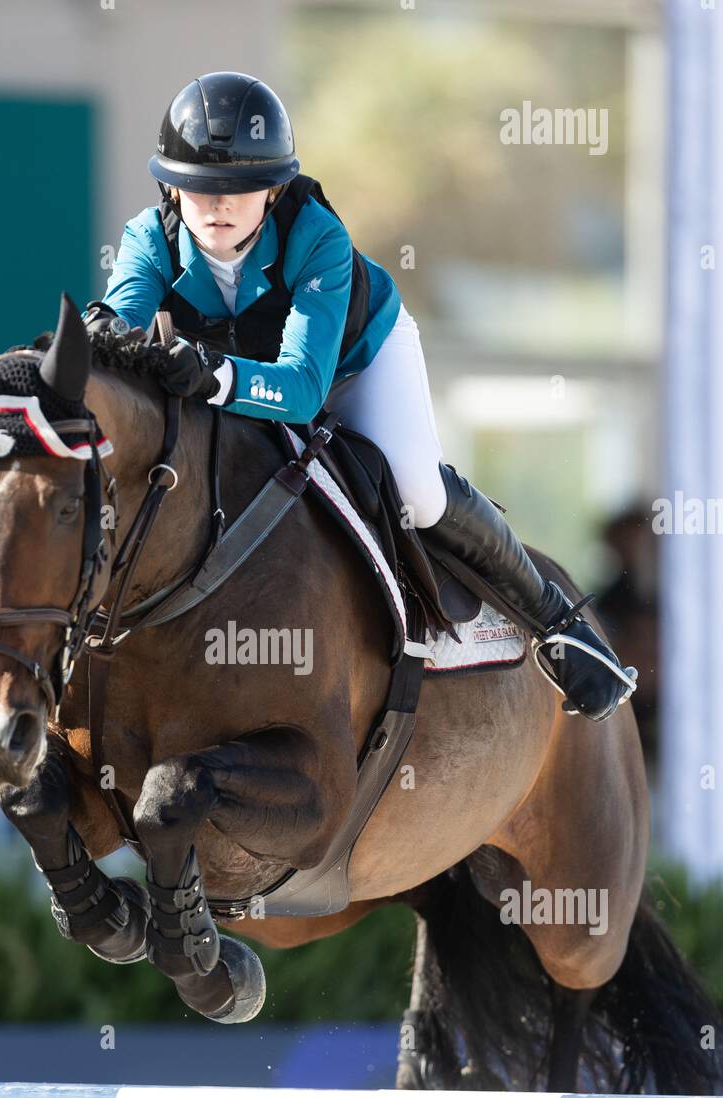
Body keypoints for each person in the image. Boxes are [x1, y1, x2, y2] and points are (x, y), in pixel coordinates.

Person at [93, 71, 636, 721]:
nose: (217, 203)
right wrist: (105, 337)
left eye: (240, 185)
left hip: (355, 365)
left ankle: (557, 625)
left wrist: (210, 373)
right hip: (238, 382)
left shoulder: (316, 238)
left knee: (415, 488)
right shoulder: (147, 239)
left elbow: (299, 391)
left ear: (275, 187)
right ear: (170, 186)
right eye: (199, 185)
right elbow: (117, 335)